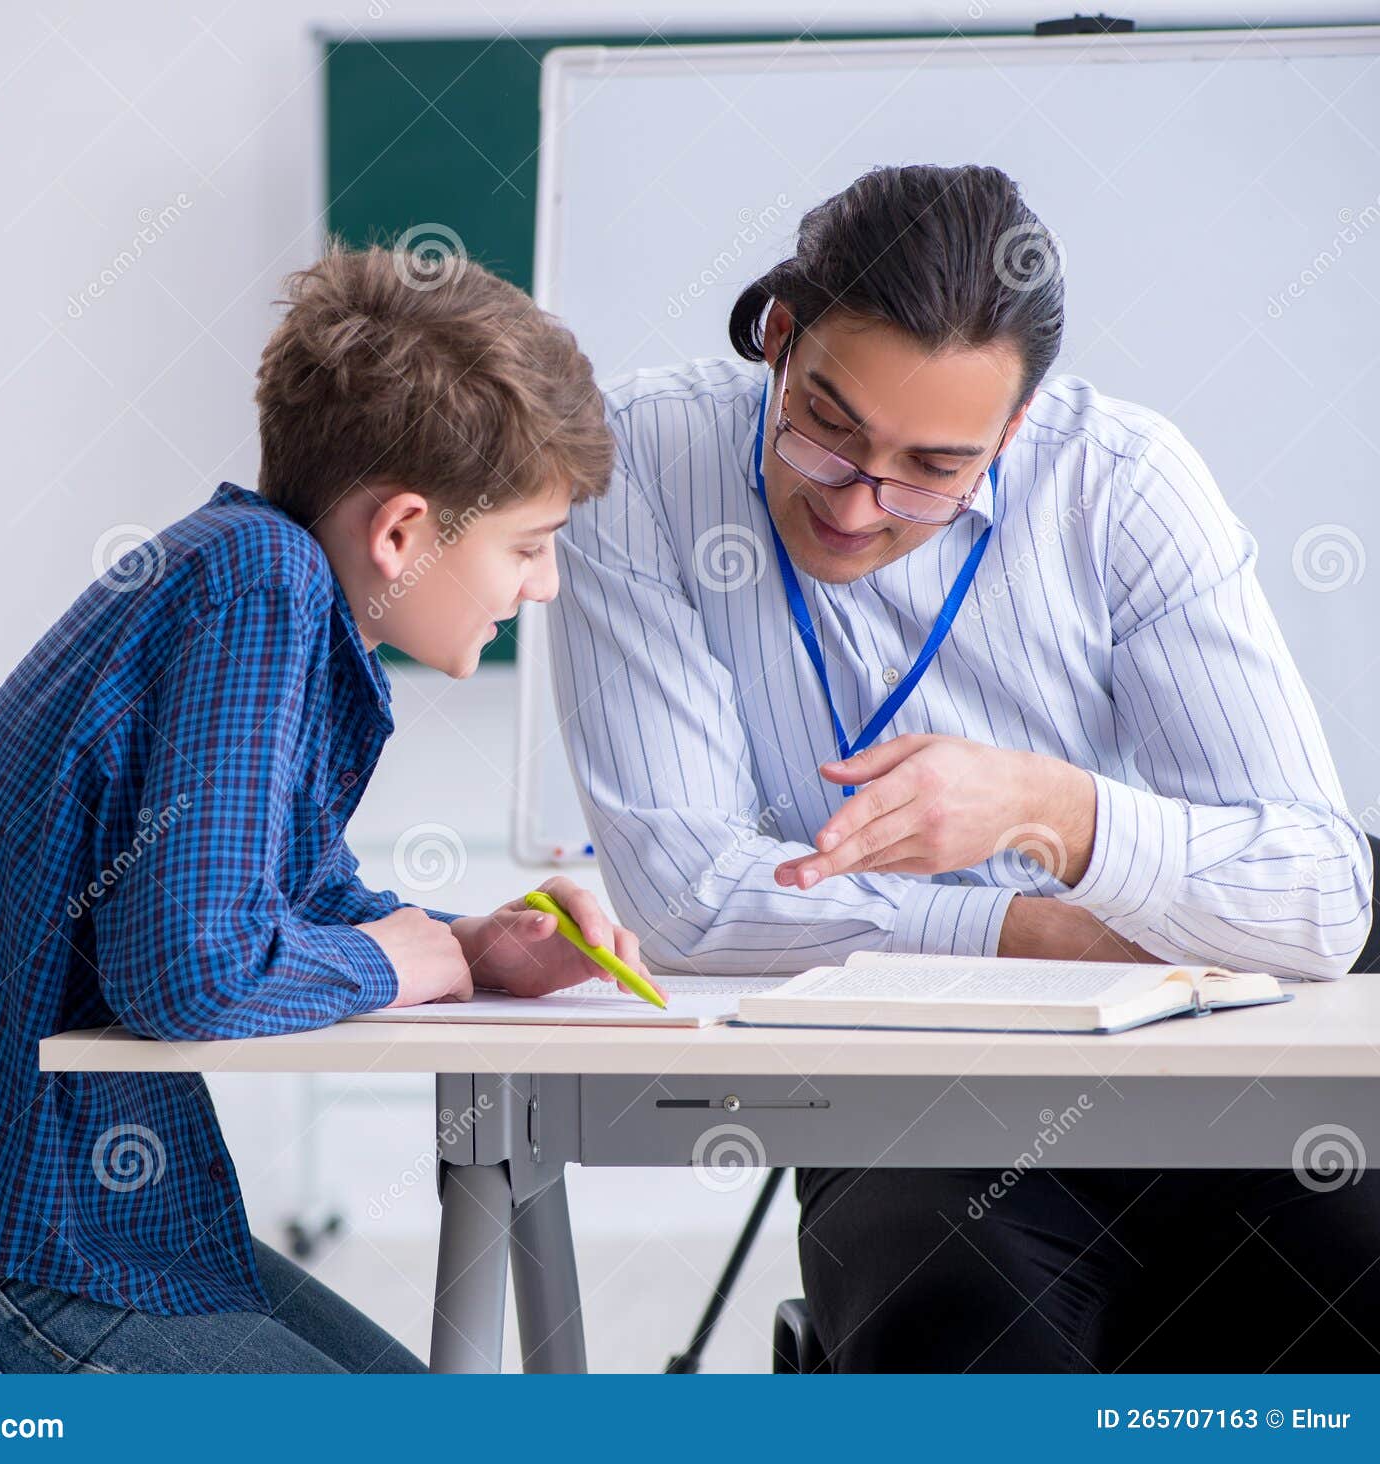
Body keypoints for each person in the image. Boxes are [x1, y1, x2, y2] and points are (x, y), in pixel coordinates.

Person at [548, 163, 1378, 1371]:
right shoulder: (638, 466)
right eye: (827, 430)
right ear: (777, 340)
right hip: (908, 1106)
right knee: (967, 1335)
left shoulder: (1122, 483)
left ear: (1014, 428)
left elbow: (1323, 896)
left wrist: (1055, 813)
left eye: (932, 468)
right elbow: (686, 895)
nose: (856, 507)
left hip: (1213, 1085)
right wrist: (1042, 931)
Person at [0, 244, 649, 1374]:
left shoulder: (263, 584)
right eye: (528, 548)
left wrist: (470, 947)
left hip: (79, 1230)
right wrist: (399, 964)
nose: (543, 585)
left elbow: (288, 896)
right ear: (401, 531)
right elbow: (192, 973)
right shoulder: (261, 585)